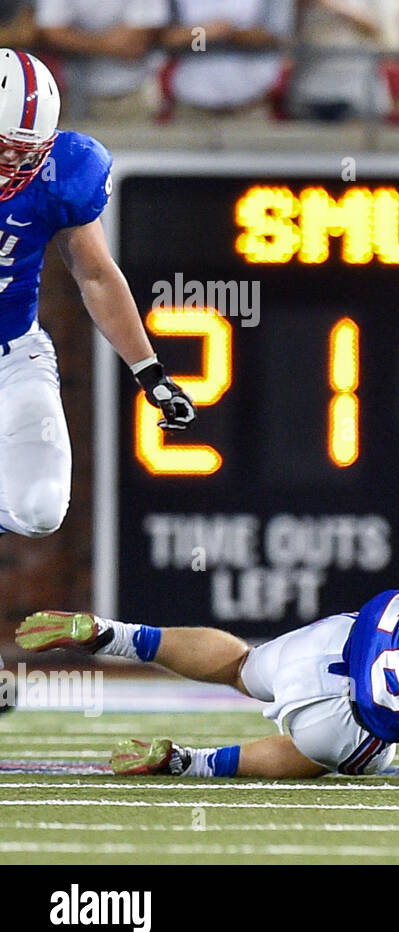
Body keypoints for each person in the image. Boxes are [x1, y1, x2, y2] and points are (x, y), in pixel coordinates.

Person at [17, 540, 399, 778]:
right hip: (348, 722)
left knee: (242, 665)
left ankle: (117, 635)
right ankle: (192, 762)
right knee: (362, 760)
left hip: (332, 642)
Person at [0, 49, 195, 540]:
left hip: (12, 356)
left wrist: (150, 372)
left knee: (40, 508)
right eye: (5, 150)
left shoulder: (65, 174)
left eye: (28, 153)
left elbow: (97, 276)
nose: (15, 165)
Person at [34, 0, 169, 121]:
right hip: (73, 95)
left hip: (134, 92)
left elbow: (140, 36)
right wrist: (112, 45)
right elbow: (51, 32)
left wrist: (75, 39)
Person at [161, 0, 295, 122]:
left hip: (253, 100)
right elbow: (166, 39)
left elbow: (277, 34)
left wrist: (232, 34)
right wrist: (204, 34)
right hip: (191, 99)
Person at [288, 0, 399, 122]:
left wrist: (341, 8)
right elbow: (289, 41)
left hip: (357, 96)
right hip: (309, 95)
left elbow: (393, 44)